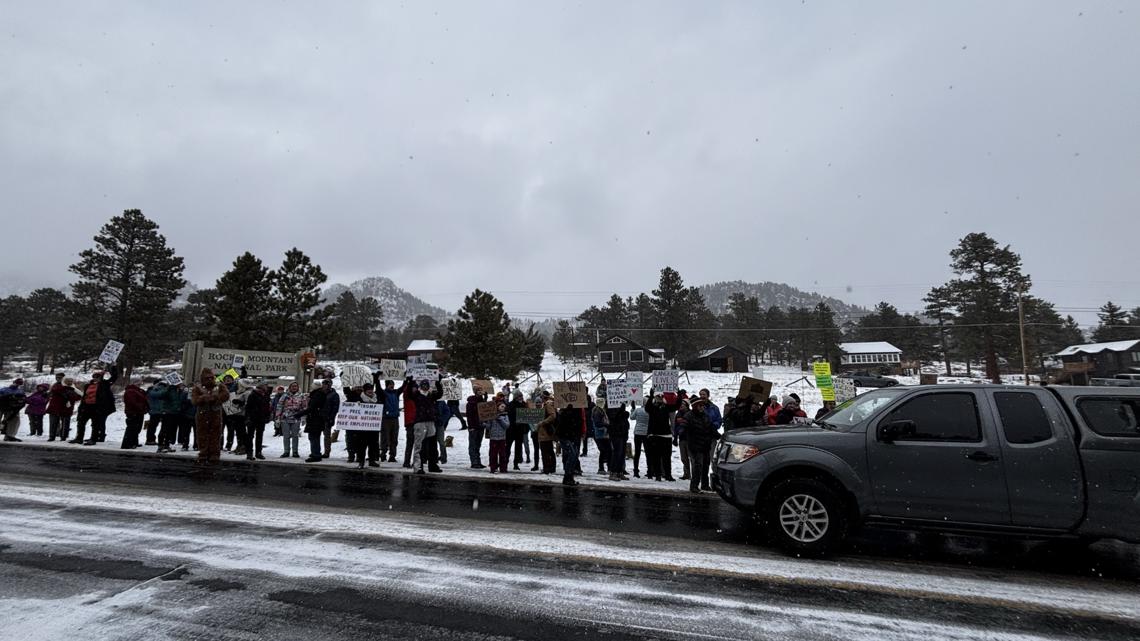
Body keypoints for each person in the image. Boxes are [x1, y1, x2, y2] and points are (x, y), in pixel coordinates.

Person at [191, 369, 229, 464]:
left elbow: (226, 395)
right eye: (207, 378)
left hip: (215, 414)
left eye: (211, 378)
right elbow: (194, 400)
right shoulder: (198, 388)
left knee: (215, 435)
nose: (209, 380)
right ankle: (203, 453)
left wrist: (215, 398)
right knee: (202, 435)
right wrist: (203, 398)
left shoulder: (219, 386)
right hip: (202, 414)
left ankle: (214, 454)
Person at [73, 366, 119, 445]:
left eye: (97, 377)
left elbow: (114, 377)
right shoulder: (88, 385)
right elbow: (84, 396)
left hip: (96, 407)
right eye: (94, 377)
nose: (95, 378)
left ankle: (93, 439)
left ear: (101, 378)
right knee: (81, 423)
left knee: (95, 424)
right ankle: (79, 438)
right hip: (86, 406)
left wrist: (113, 367)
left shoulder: (104, 384)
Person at [407, 377, 443, 474]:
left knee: (432, 445)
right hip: (420, 422)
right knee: (419, 445)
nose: (425, 387)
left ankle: (433, 465)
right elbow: (409, 394)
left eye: (426, 385)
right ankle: (418, 467)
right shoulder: (417, 395)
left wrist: (438, 383)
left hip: (430, 421)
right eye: (423, 385)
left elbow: (440, 394)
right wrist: (411, 382)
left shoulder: (431, 395)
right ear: (420, 386)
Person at [684, 397, 721, 493]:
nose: (702, 408)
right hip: (695, 445)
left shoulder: (705, 416)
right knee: (698, 465)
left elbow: (711, 428)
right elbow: (684, 428)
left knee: (706, 465)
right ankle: (694, 486)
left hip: (705, 445)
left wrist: (719, 436)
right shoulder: (689, 416)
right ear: (695, 406)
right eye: (700, 406)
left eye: (703, 406)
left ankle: (705, 485)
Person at [645, 391, 680, 482]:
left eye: (661, 396)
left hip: (666, 436)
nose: (660, 397)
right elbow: (647, 408)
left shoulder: (667, 407)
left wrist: (679, 395)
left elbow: (677, 406)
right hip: (655, 435)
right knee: (656, 457)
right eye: (658, 396)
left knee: (667, 457)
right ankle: (658, 475)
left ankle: (668, 475)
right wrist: (651, 396)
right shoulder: (652, 407)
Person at [295, 383, 329, 462]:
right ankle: (316, 452)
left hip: (315, 419)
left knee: (314, 437)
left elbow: (311, 408)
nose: (311, 387)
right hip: (317, 419)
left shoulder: (317, 395)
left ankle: (316, 455)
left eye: (312, 386)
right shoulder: (319, 394)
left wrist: (299, 414)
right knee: (315, 437)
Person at [274, 382, 306, 458]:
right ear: (290, 387)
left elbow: (304, 407)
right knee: (286, 436)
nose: (294, 387)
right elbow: (279, 406)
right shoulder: (285, 395)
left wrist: (304, 417)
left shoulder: (301, 396)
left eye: (296, 386)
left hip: (296, 418)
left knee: (295, 435)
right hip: (285, 418)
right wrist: (277, 417)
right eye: (293, 386)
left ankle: (295, 451)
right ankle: (286, 451)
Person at [377, 378, 405, 463]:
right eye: (390, 384)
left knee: (394, 438)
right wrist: (377, 379)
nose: (392, 386)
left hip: (395, 419)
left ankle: (392, 456)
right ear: (387, 385)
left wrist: (406, 379)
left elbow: (403, 387)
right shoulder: (384, 394)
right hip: (386, 418)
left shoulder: (396, 393)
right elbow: (378, 389)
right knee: (385, 437)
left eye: (392, 384)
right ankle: (383, 454)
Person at [555, 405, 582, 486]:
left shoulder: (577, 411)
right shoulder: (563, 412)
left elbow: (578, 422)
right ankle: (567, 477)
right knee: (572, 455)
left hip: (572, 436)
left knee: (574, 455)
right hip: (565, 436)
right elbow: (562, 422)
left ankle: (569, 477)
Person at [355, 383, 382, 468]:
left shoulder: (376, 398)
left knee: (373, 445)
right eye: (368, 389)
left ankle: (371, 460)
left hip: (373, 426)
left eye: (371, 389)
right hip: (362, 427)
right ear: (365, 391)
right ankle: (361, 461)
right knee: (362, 445)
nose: (370, 391)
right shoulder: (360, 398)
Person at [46, 377, 80, 442]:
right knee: (53, 423)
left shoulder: (73, 389)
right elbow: (53, 391)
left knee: (65, 424)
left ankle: (63, 437)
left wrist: (71, 397)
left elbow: (78, 397)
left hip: (66, 409)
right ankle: (52, 436)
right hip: (55, 408)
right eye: (68, 381)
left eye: (71, 381)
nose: (69, 383)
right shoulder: (57, 386)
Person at [244, 384, 272, 460]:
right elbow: (248, 407)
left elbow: (267, 407)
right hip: (253, 418)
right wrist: (248, 418)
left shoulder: (266, 396)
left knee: (259, 436)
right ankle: (249, 453)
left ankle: (258, 452)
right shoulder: (252, 395)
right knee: (250, 436)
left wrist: (267, 416)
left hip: (261, 418)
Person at [121, 380, 149, 449]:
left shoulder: (138, 391)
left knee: (136, 428)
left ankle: (134, 442)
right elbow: (132, 402)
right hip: (133, 412)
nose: (140, 384)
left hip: (138, 412)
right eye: (138, 383)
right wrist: (141, 407)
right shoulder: (131, 391)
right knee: (132, 428)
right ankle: (127, 444)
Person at [464, 386, 487, 469]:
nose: (481, 391)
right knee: (473, 445)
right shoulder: (471, 402)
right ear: (475, 392)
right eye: (479, 390)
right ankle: (474, 462)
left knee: (478, 445)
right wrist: (470, 426)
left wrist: (486, 396)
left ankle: (478, 461)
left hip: (480, 426)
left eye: (481, 390)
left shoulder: (482, 400)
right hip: (473, 426)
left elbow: (486, 409)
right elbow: (469, 416)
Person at [608, 402, 630, 481]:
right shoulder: (611, 404)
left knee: (622, 453)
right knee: (617, 452)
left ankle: (619, 472)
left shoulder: (621, 404)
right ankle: (613, 472)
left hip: (623, 432)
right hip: (616, 433)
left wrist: (625, 413)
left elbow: (622, 417)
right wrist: (622, 413)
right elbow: (613, 417)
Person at [536, 391, 557, 474]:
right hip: (545, 432)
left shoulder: (548, 405)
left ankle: (547, 468)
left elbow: (553, 415)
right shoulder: (548, 404)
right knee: (549, 450)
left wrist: (543, 422)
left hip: (545, 432)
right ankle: (551, 467)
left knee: (546, 451)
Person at [507, 390, 529, 471]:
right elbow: (509, 416)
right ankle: (505, 461)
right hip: (511, 430)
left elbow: (526, 417)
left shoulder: (523, 405)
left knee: (518, 448)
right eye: (519, 396)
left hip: (520, 430)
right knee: (508, 447)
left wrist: (526, 428)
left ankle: (516, 463)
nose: (521, 398)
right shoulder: (510, 405)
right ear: (516, 397)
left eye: (521, 396)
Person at [486, 402, 511, 473]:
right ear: (497, 407)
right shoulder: (492, 415)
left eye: (504, 407)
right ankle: (493, 468)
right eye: (502, 406)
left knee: (503, 454)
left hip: (502, 438)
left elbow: (507, 426)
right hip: (493, 438)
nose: (503, 408)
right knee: (493, 454)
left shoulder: (505, 416)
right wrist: (485, 423)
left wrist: (500, 419)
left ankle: (503, 469)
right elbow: (488, 426)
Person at [590, 398, 611, 475]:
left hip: (603, 433)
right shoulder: (597, 411)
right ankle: (602, 468)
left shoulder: (600, 410)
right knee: (605, 451)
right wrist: (606, 425)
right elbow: (597, 423)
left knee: (607, 450)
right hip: (600, 433)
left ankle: (606, 467)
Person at [322, 379, 340, 458]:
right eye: (324, 384)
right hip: (319, 417)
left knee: (327, 435)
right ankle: (316, 451)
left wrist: (331, 418)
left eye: (327, 384)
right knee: (316, 435)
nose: (325, 385)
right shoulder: (320, 393)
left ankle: (327, 451)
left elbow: (335, 408)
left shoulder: (334, 395)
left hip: (328, 417)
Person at [630, 400, 649, 478]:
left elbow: (631, 417)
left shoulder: (638, 410)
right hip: (646, 433)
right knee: (648, 453)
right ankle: (649, 471)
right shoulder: (649, 411)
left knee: (637, 453)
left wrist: (633, 409)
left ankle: (635, 471)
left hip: (637, 432)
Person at [176, 384, 195, 451]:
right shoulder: (185, 394)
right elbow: (181, 402)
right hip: (187, 415)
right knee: (186, 431)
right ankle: (185, 444)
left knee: (196, 432)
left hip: (195, 415)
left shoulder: (199, 394)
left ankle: (196, 445)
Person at [432, 396, 450, 465]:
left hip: (439, 424)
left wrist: (442, 420)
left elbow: (447, 412)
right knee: (433, 442)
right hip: (432, 423)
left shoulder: (441, 402)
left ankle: (443, 457)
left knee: (441, 442)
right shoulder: (430, 400)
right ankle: (434, 457)